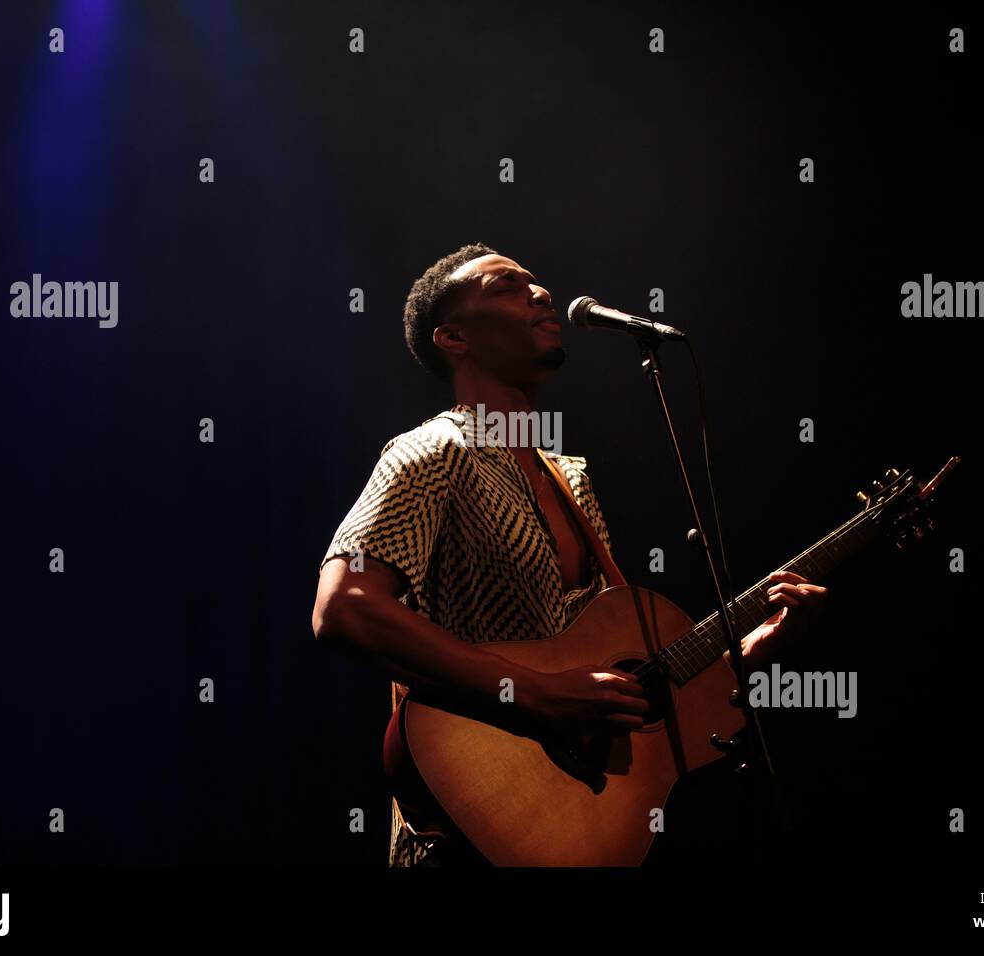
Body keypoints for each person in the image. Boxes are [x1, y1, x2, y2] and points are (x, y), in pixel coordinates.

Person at [311, 242, 827, 866]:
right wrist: (531, 694)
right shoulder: (429, 453)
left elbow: (618, 681)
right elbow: (344, 609)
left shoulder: (570, 478)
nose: (541, 293)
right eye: (506, 286)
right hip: (468, 832)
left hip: (576, 827)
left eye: (537, 283)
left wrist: (743, 655)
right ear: (453, 337)